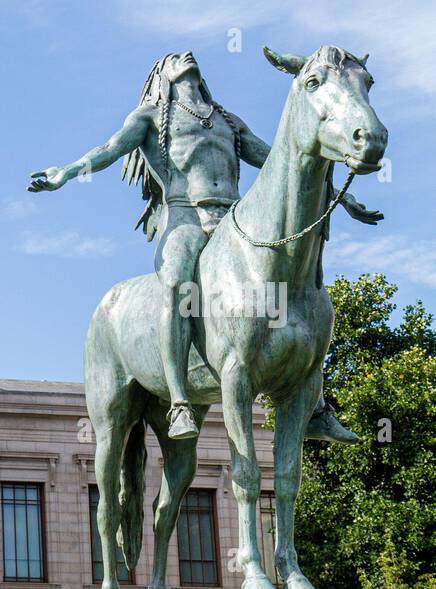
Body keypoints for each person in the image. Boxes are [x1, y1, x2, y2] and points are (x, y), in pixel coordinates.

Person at [29, 51, 373, 443]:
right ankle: (178, 402)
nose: (185, 56)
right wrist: (67, 172)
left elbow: (281, 163)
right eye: (173, 57)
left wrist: (340, 197)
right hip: (186, 220)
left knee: (297, 281)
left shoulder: (226, 120)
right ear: (161, 74)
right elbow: (109, 150)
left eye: (188, 54)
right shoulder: (150, 117)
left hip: (234, 220)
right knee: (177, 283)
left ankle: (317, 407)